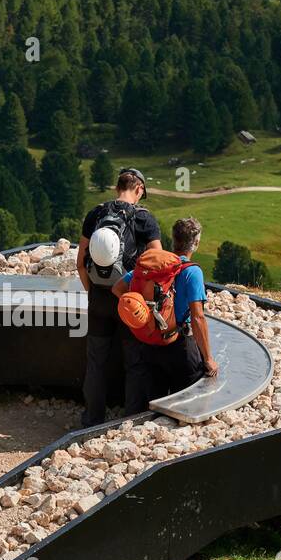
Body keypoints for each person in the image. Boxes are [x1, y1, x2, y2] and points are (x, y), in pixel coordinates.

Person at [77, 168, 162, 425]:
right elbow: (158, 264)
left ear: (117, 188)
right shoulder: (144, 219)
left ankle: (92, 419)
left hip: (99, 299)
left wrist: (92, 292)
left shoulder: (96, 214)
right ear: (139, 189)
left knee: (96, 362)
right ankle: (131, 420)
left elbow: (81, 262)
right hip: (129, 300)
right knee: (134, 363)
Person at [113, 217, 218, 401]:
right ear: (196, 243)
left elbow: (117, 288)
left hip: (148, 341)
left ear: (173, 239)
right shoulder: (192, 271)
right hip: (179, 345)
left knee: (155, 400)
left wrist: (141, 310)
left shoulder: (154, 264)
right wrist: (208, 358)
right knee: (187, 399)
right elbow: (198, 317)